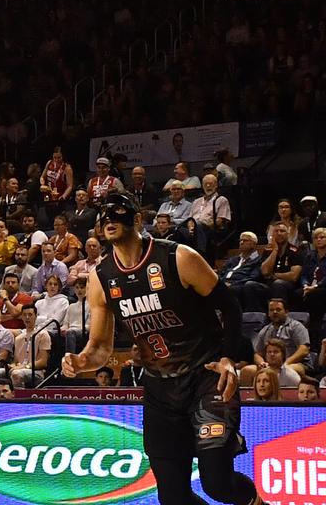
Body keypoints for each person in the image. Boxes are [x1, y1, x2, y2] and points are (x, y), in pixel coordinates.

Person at [63, 193, 256, 505]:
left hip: (205, 378)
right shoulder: (101, 277)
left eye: (118, 213)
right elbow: (99, 348)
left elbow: (230, 306)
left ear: (137, 220)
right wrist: (80, 361)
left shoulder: (178, 258)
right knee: (173, 498)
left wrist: (228, 357)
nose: (109, 219)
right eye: (104, 215)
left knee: (217, 483)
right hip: (159, 390)